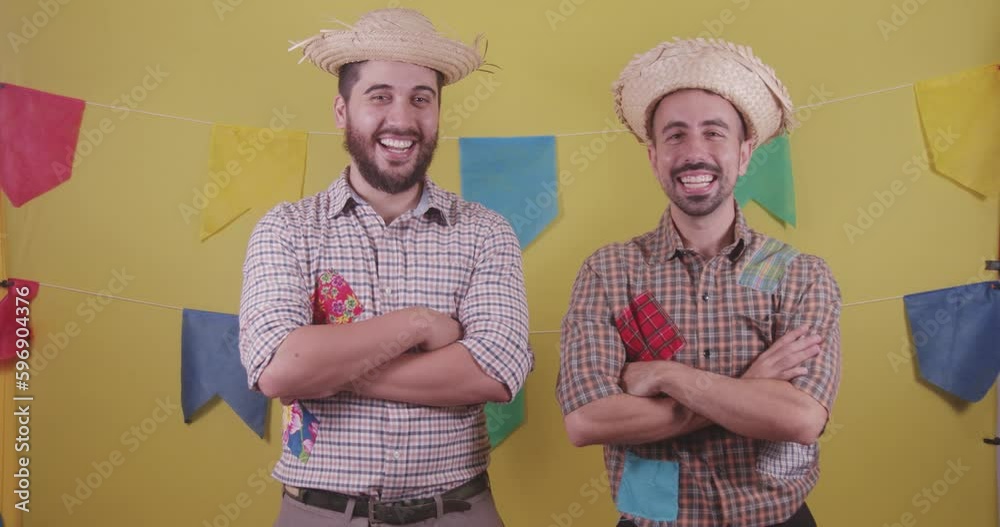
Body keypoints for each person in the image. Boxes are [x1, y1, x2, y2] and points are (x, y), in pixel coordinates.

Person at [238, 9, 531, 526]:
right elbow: (278, 369)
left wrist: (327, 371)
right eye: (379, 97)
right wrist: (418, 324)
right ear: (341, 110)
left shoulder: (486, 231)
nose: (402, 118)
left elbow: (494, 372)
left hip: (459, 510)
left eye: (421, 98)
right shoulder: (287, 229)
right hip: (318, 513)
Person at [556, 38, 842, 527]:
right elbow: (588, 421)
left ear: (744, 153)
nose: (694, 152)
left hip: (775, 518)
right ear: (653, 156)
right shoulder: (608, 272)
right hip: (655, 520)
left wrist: (668, 376)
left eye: (714, 133)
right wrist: (750, 388)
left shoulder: (801, 275)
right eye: (675, 135)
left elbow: (799, 419)